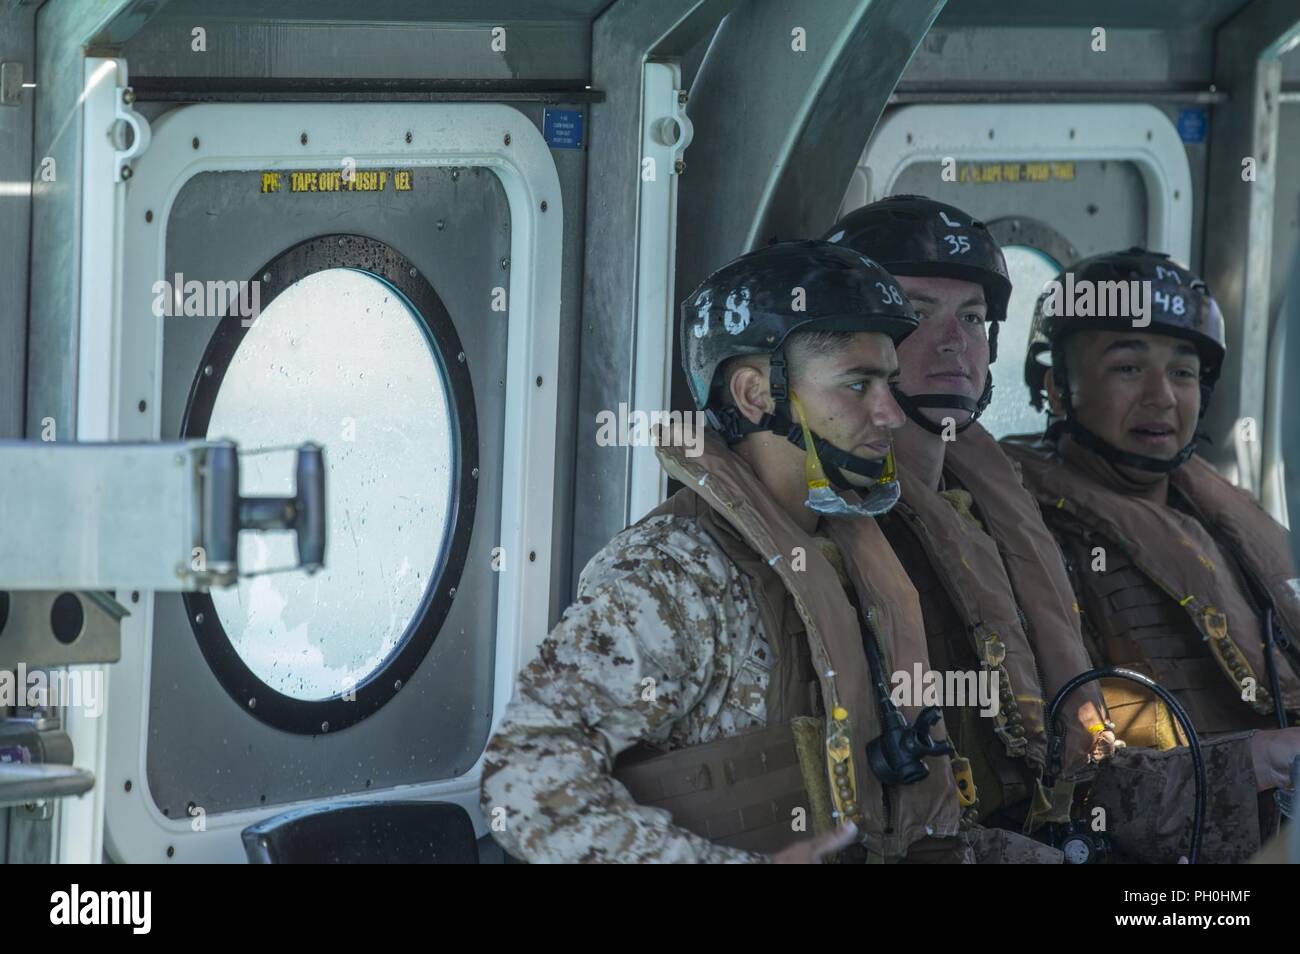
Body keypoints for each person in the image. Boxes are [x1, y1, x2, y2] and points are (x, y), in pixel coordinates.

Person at [481, 240, 1056, 863]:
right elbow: (525, 782)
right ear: (757, 396)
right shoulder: (673, 575)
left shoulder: (855, 559)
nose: (890, 413)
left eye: (888, 382)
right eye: (857, 385)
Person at [1002, 247, 1300, 861]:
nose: (1162, 397)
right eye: (1128, 368)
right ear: (1057, 387)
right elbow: (1067, 790)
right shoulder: (1027, 538)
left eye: (1183, 373)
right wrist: (1255, 763)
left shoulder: (1223, 523)